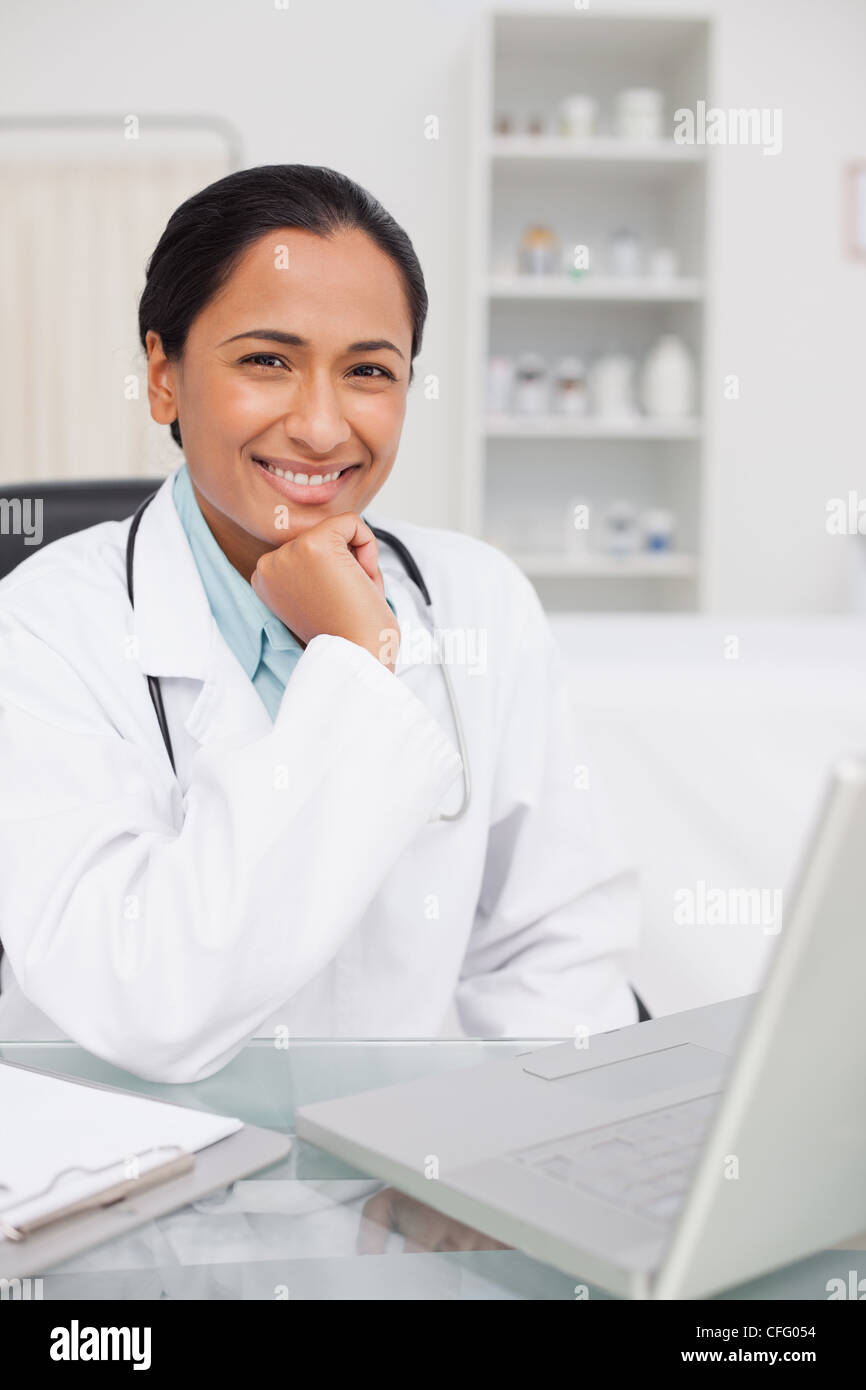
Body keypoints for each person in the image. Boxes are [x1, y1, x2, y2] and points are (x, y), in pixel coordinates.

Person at [0, 164, 640, 1085]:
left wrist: (483, 1151)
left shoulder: (480, 602)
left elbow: (558, 953)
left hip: (405, 1191)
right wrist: (354, 660)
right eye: (267, 361)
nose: (321, 424)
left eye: (369, 371)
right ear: (163, 376)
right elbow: (144, 1001)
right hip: (123, 1184)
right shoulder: (44, 625)